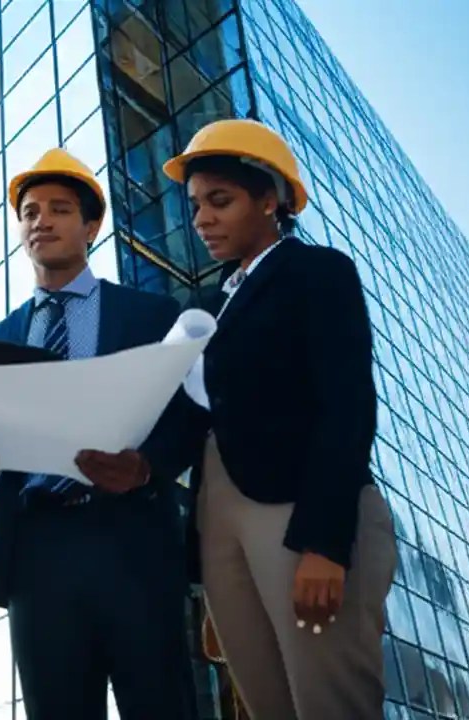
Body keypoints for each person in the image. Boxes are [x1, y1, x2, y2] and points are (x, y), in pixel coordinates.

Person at [164, 118, 398, 719]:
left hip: (301, 514)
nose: (202, 221)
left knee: (330, 703)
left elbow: (347, 403)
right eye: (195, 206)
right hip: (220, 513)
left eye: (221, 201)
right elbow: (193, 417)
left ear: (269, 199)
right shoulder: (210, 305)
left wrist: (325, 542)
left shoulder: (317, 271)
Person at [0, 148, 199, 719]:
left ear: (92, 226)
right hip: (36, 553)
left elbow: (189, 418)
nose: (41, 221)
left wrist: (147, 464)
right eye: (29, 212)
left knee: (160, 705)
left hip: (132, 540)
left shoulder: (153, 316)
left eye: (58, 209)